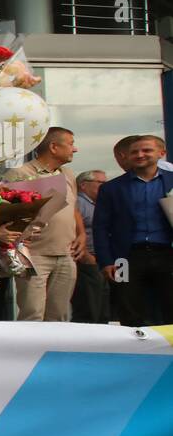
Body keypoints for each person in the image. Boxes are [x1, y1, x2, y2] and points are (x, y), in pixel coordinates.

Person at [3, 127, 82, 321]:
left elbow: (73, 208)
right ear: (54, 147)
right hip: (33, 254)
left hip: (66, 254)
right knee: (33, 314)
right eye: (71, 144)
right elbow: (6, 212)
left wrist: (81, 234)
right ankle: (27, 351)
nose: (75, 149)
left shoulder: (68, 174)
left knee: (60, 315)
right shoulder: (19, 173)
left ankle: (56, 351)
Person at [93, 135, 173, 326]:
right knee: (128, 306)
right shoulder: (111, 188)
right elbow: (101, 227)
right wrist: (106, 261)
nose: (140, 155)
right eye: (134, 152)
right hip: (124, 258)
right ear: (127, 156)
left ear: (161, 153)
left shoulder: (171, 181)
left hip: (167, 254)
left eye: (146, 150)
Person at [71, 169, 109, 323]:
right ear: (83, 185)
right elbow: (71, 229)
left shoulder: (98, 204)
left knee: (103, 303)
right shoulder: (79, 203)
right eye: (100, 183)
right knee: (89, 305)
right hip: (87, 261)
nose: (105, 186)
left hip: (104, 260)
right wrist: (86, 256)